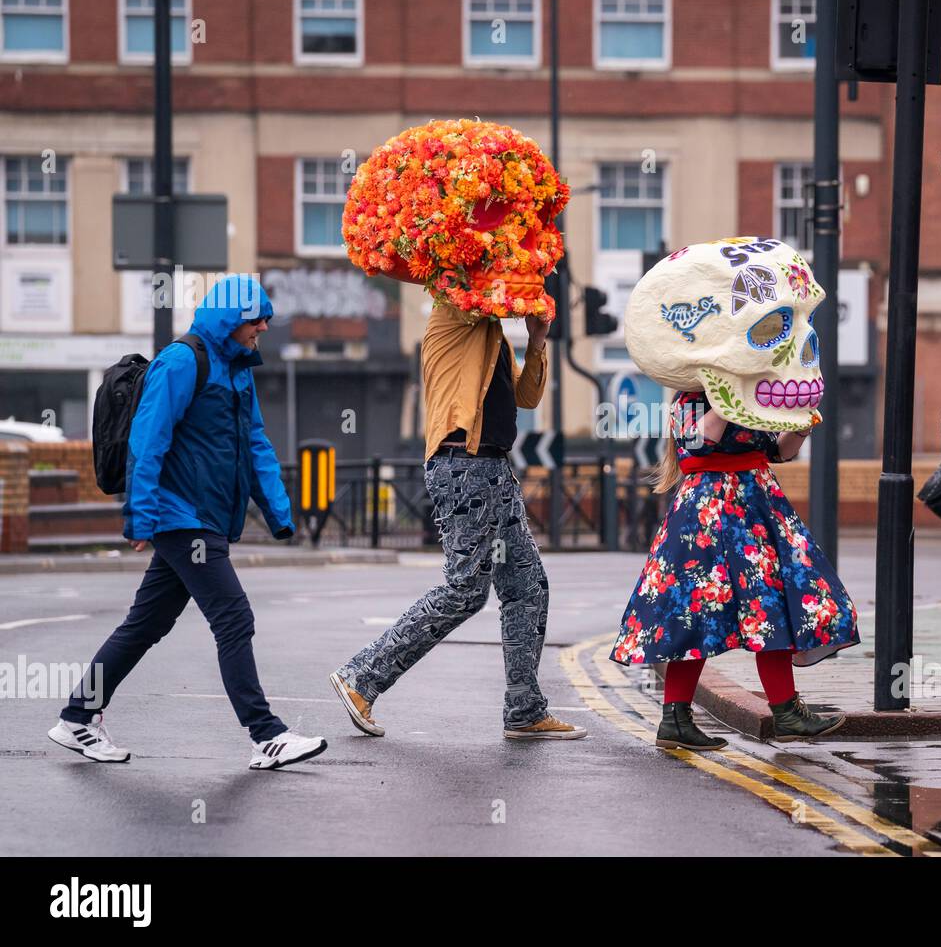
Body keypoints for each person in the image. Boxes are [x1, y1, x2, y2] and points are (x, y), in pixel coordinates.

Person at [48, 275, 327, 771]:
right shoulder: (183, 361)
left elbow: (255, 443)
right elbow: (147, 442)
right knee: (233, 615)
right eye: (256, 318)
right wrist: (139, 516)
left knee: (145, 624)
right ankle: (267, 735)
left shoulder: (238, 368)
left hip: (209, 517)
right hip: (185, 517)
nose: (264, 325)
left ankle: (76, 718)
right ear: (231, 319)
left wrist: (279, 513)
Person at [329, 301, 587, 741]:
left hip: (493, 469)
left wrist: (538, 340)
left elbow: (526, 397)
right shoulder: (456, 313)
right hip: (463, 465)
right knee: (465, 590)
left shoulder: (495, 335)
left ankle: (524, 709)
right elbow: (482, 289)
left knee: (527, 589)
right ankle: (362, 678)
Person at [609, 391, 859, 751]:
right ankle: (675, 720)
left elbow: (779, 451)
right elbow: (697, 443)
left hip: (756, 505)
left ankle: (786, 712)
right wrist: (729, 396)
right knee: (694, 614)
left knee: (769, 606)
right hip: (707, 511)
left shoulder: (755, 395)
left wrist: (803, 425)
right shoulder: (688, 399)